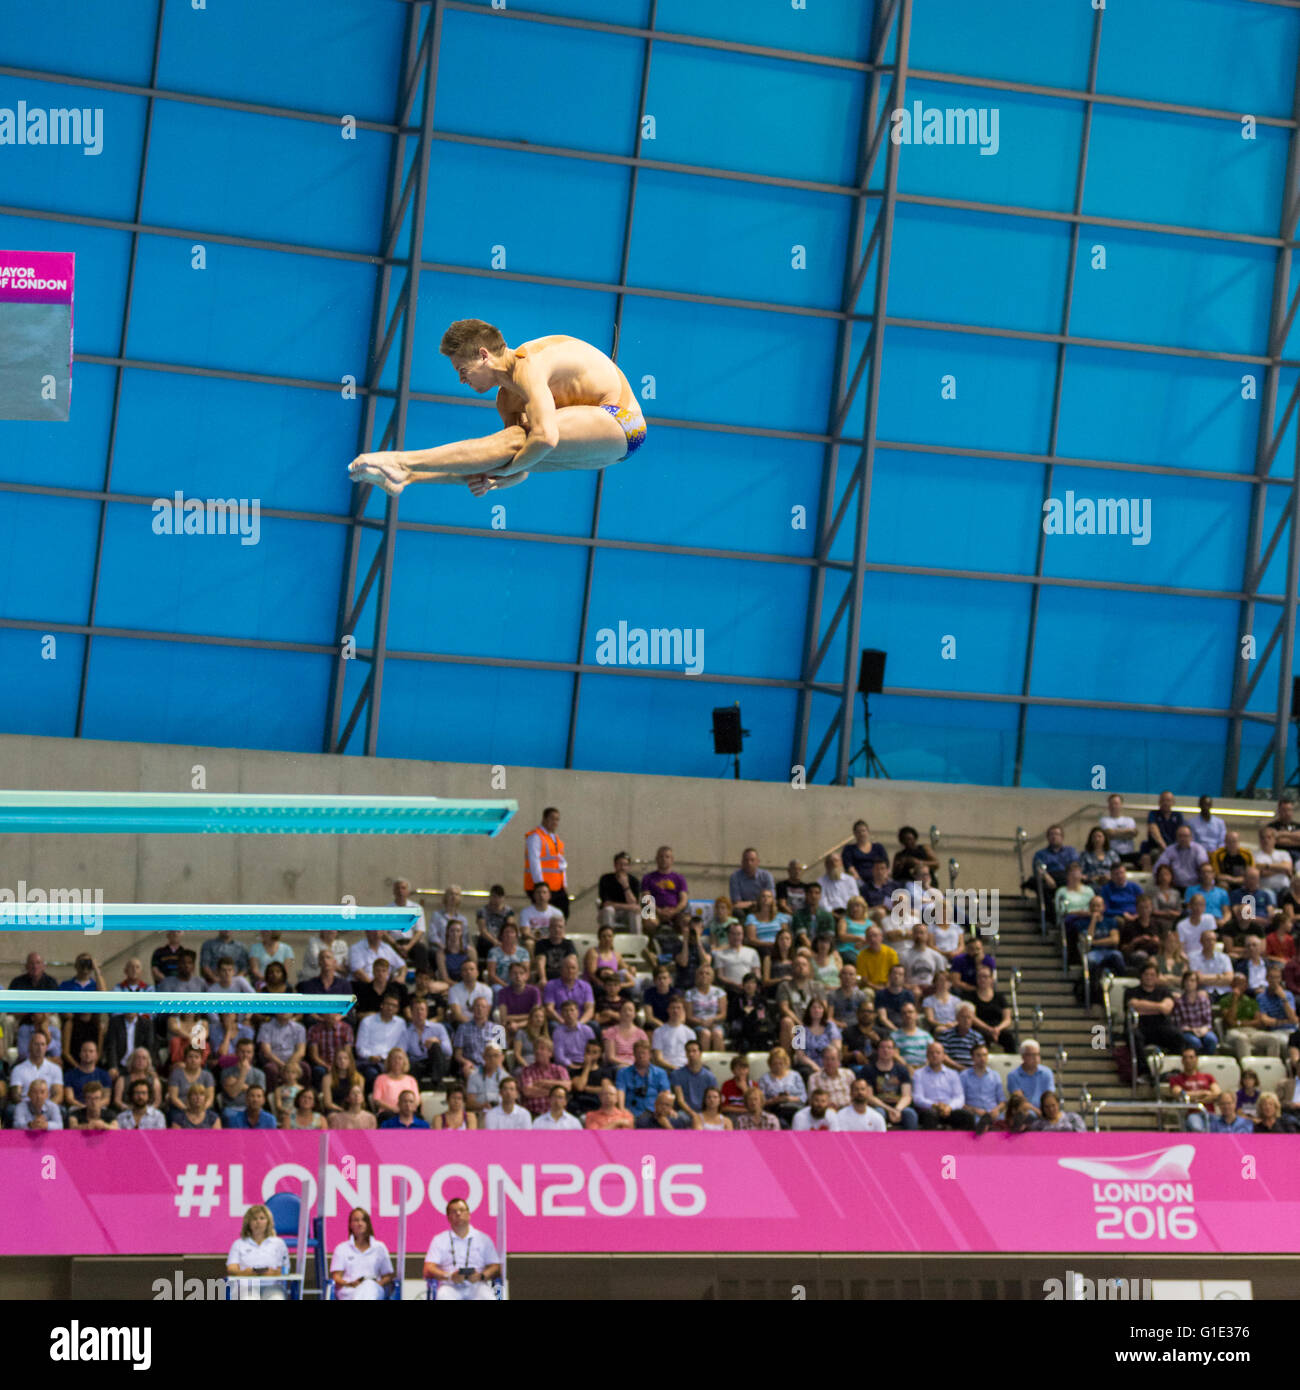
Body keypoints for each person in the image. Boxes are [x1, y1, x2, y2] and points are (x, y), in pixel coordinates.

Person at [1124, 961, 1186, 1068]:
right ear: (1141, 976)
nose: (1149, 977)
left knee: (1177, 1036)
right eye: (1146, 974)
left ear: (1157, 977)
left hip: (1160, 1027)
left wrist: (1143, 1007)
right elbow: (1133, 1005)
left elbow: (1166, 1009)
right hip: (1139, 1027)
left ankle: (1171, 1069)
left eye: (1152, 975)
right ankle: (1145, 1072)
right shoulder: (1131, 991)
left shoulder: (1164, 992)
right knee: (1134, 1037)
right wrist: (1159, 1007)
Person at [330, 1207, 395, 1300]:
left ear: (368, 1224)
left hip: (374, 1290)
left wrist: (376, 1284)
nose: (360, 1224)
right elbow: (336, 1277)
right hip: (350, 1290)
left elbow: (388, 1276)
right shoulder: (341, 1248)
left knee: (368, 1286)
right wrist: (349, 1284)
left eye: (363, 1220)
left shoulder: (379, 1247)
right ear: (350, 1224)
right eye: (356, 1220)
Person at [227, 1204, 290, 1300]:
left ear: (268, 1222)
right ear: (248, 1223)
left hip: (272, 1287)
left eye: (262, 1218)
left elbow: (285, 1269)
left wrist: (273, 1272)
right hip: (247, 1287)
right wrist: (246, 1273)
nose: (258, 1222)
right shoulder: (239, 1244)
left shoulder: (279, 1243)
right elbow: (231, 1268)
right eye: (254, 1219)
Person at [912, 1041, 975, 1129]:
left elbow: (959, 1097)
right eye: (931, 1053)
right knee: (930, 1115)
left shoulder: (953, 1074)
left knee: (966, 1116)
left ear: (944, 1056)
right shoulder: (918, 1074)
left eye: (938, 1053)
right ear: (927, 1055)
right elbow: (917, 1098)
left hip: (949, 1110)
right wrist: (935, 1105)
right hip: (929, 1109)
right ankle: (929, 1143)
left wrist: (949, 1107)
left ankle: (965, 1143)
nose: (935, 1055)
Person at [859, 1035, 917, 1130]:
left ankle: (912, 1142)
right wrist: (889, 1109)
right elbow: (869, 1096)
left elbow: (907, 1096)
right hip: (879, 1106)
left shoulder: (902, 1070)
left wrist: (897, 1109)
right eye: (882, 1047)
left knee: (910, 1114)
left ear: (894, 1051)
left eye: (889, 1048)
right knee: (878, 1113)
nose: (885, 1050)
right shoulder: (868, 1069)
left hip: (899, 1106)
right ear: (877, 1050)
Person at [356, 994, 408, 1085]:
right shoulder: (367, 1021)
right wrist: (370, 1056)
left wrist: (393, 1057)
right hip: (370, 1061)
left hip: (392, 1061)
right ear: (382, 1005)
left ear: (397, 1009)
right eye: (388, 1004)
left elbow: (402, 1046)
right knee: (372, 1073)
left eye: (394, 1006)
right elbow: (359, 1047)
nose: (390, 1008)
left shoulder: (401, 1023)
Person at [617, 1039, 670, 1121]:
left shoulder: (660, 1072)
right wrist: (621, 1111)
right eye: (638, 1053)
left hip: (655, 1112)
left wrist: (666, 1109)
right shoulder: (623, 1072)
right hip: (631, 1112)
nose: (641, 1056)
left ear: (650, 1055)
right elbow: (621, 1092)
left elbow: (666, 1093)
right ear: (634, 1054)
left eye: (644, 1053)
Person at [1170, 1049, 1222, 1131]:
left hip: (1210, 1113)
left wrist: (1193, 1099)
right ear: (1182, 1061)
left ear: (1196, 1059)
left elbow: (1217, 1094)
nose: (1188, 1060)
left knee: (1220, 1129)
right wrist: (1203, 1093)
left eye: (1191, 1057)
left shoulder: (1208, 1077)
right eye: (1185, 1058)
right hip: (1192, 1114)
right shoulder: (1176, 1079)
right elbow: (1180, 1094)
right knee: (1197, 1128)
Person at [670, 1040, 718, 1123]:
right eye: (688, 1051)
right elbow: (680, 1100)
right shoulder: (677, 1074)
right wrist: (693, 1114)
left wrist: (705, 1115)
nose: (691, 1054)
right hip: (685, 1112)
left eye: (694, 1051)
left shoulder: (710, 1076)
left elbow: (714, 1098)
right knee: (676, 1119)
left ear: (700, 1053)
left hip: (704, 1111)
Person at [640, 845, 690, 927]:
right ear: (656, 859)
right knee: (648, 920)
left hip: (676, 913)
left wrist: (673, 911)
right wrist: (659, 910)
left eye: (667, 857)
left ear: (672, 860)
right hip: (655, 911)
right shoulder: (648, 878)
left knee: (686, 921)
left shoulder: (679, 878)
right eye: (661, 856)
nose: (664, 859)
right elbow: (647, 898)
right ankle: (653, 940)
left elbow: (684, 900)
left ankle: (683, 940)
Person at [758, 1046, 807, 1126]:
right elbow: (761, 1102)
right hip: (774, 1110)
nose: (778, 1066)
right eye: (775, 1064)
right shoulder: (764, 1079)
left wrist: (789, 1099)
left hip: (795, 1108)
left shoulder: (795, 1075)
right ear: (770, 1064)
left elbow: (804, 1097)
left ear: (786, 1062)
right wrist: (775, 1100)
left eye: (780, 1063)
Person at [1172, 970, 1219, 1053]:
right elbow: (1178, 1024)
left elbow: (1208, 1021)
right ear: (1183, 983)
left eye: (1192, 980)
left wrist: (1204, 1029)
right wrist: (1192, 1030)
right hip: (1187, 1031)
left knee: (1212, 1039)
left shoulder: (1204, 1000)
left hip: (1203, 1029)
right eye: (1187, 981)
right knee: (1195, 1042)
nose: (1189, 983)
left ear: (1197, 983)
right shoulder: (1179, 1002)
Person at [1005, 1041, 1055, 1118]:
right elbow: (1020, 1101)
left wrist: (1044, 1112)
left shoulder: (1047, 1072)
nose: (1036, 1058)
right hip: (1025, 1113)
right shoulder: (1013, 1076)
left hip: (1045, 1111)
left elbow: (1050, 1097)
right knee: (1023, 1112)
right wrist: (1035, 1111)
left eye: (1037, 1054)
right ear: (1023, 1056)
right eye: (1032, 1055)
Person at [959, 1043, 1005, 1127]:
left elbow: (1002, 1101)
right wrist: (974, 1110)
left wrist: (996, 1110)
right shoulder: (964, 1076)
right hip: (973, 1116)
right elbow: (960, 1102)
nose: (982, 1058)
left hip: (993, 1115)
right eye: (979, 1055)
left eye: (985, 1055)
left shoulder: (995, 1075)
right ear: (972, 1057)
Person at [371, 1048, 418, 1120]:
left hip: (408, 1112)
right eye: (394, 1058)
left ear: (404, 1061)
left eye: (400, 1058)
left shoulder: (411, 1080)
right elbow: (376, 1100)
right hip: (388, 1112)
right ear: (389, 1061)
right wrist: (393, 1109)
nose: (397, 1061)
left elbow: (417, 1099)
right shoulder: (381, 1079)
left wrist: (406, 1109)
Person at [320, 1046, 365, 1116]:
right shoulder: (327, 1078)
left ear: (350, 1061)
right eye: (339, 1058)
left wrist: (350, 1112)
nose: (342, 1061)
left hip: (353, 1110)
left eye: (345, 1058)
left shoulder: (359, 1078)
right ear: (335, 1061)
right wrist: (342, 1111)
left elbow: (359, 1100)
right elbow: (327, 1103)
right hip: (334, 1110)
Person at [465, 1044, 509, 1113]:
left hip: (501, 1112)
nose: (492, 1059)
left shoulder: (506, 1077)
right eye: (489, 1056)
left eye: (496, 1056)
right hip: (481, 1112)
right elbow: (469, 1103)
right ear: (484, 1057)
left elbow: (510, 1099)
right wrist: (482, 1106)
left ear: (501, 1058)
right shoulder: (473, 1076)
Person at [855, 924, 900, 991]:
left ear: (881, 937)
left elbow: (895, 974)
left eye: (875, 936)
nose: (872, 939)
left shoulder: (891, 953)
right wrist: (878, 988)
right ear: (866, 939)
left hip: (888, 986)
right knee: (867, 992)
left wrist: (886, 988)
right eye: (869, 936)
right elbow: (864, 980)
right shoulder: (862, 955)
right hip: (870, 987)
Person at [1099, 793, 1139, 863]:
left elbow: (1134, 833)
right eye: (1111, 804)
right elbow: (1109, 833)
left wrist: (1115, 833)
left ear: (1121, 805)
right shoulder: (1104, 820)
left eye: (1116, 803)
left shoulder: (1129, 820)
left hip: (1129, 853)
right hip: (1111, 853)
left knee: (1145, 858)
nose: (1113, 806)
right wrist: (1126, 833)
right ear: (1108, 806)